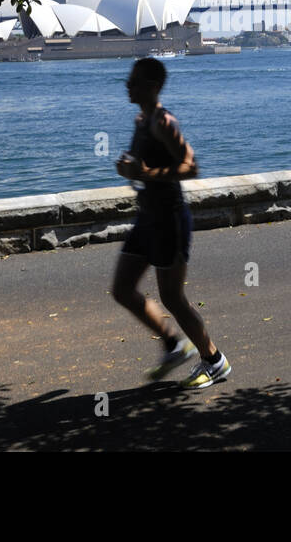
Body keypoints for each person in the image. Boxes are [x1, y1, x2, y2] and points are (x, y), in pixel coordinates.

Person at [110, 57, 232, 388]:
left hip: (169, 219)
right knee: (122, 289)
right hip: (147, 217)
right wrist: (129, 169)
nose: (127, 85)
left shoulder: (164, 122)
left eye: (133, 81)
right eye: (128, 80)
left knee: (173, 298)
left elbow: (191, 167)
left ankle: (214, 360)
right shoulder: (141, 121)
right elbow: (143, 166)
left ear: (153, 86)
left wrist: (146, 173)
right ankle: (173, 345)